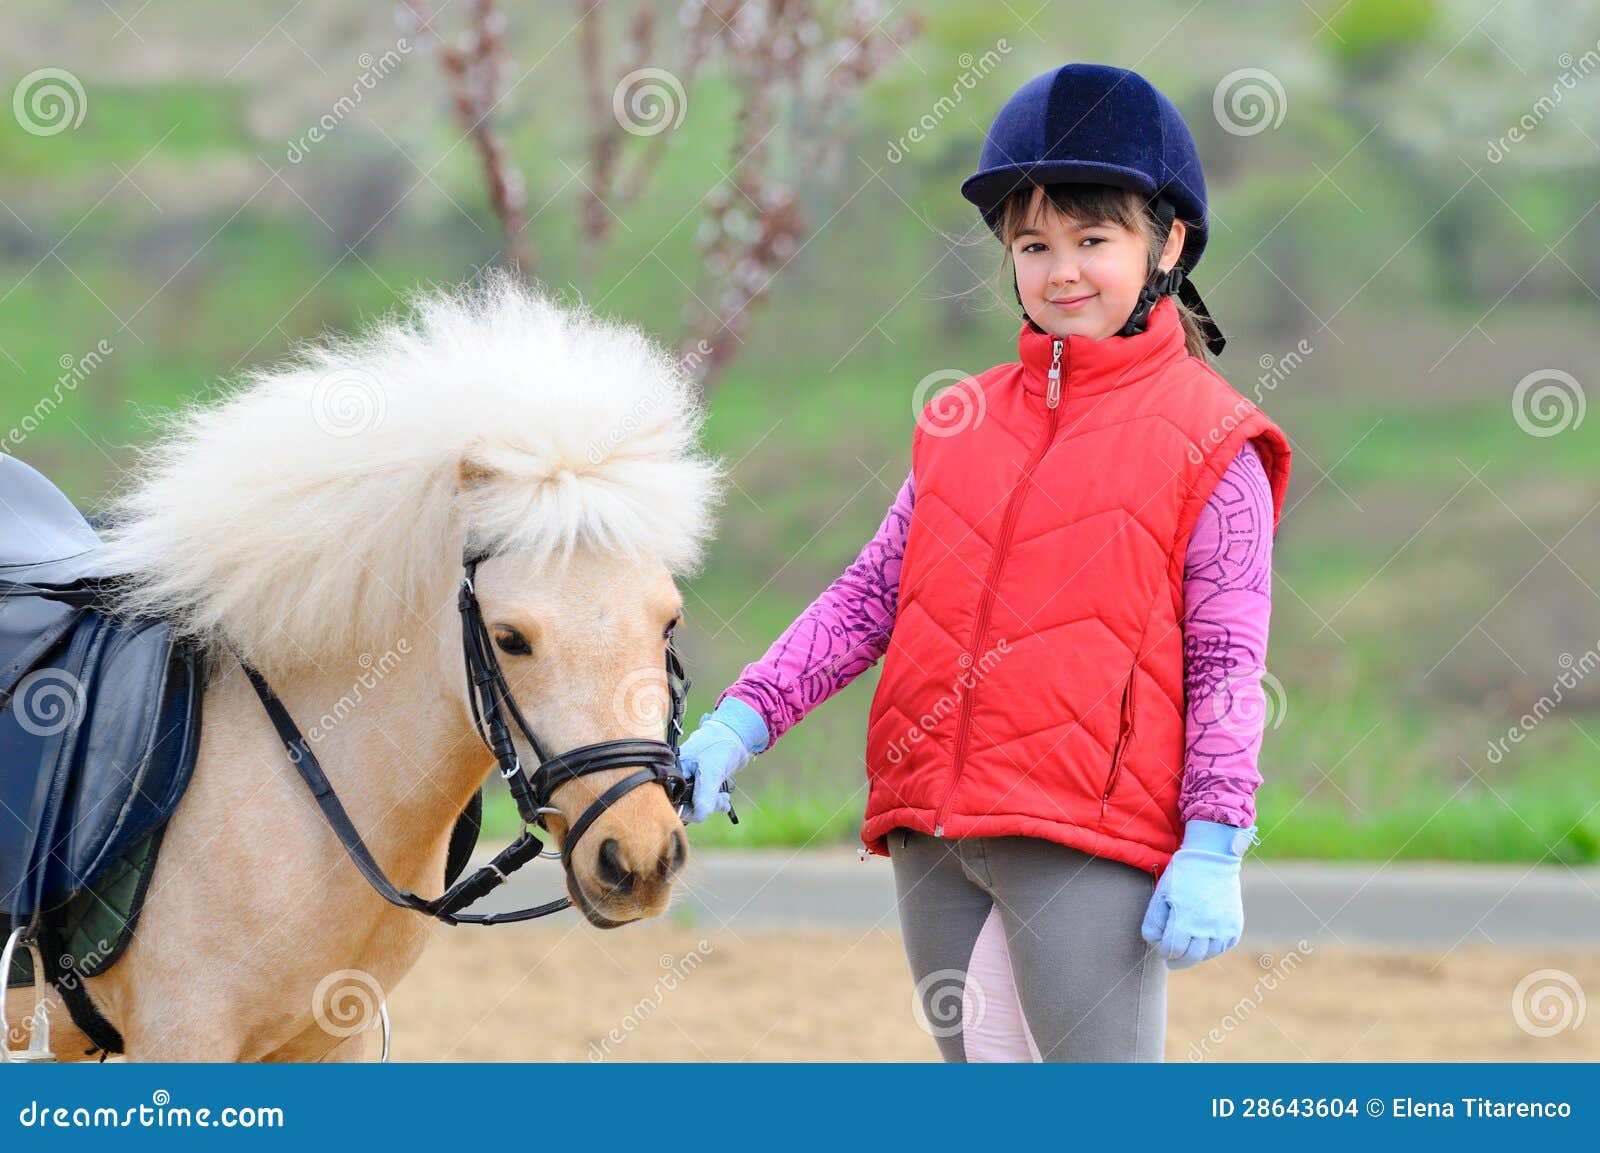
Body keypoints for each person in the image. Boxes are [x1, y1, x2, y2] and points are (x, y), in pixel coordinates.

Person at [678, 62, 1292, 1062]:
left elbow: (1228, 662)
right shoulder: (959, 416)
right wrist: (737, 726)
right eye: (1032, 244)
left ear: (1167, 243)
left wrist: (1217, 837)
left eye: (1094, 240)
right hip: (934, 830)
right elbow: (868, 598)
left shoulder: (1215, 441)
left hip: (1087, 841)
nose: (1061, 271)